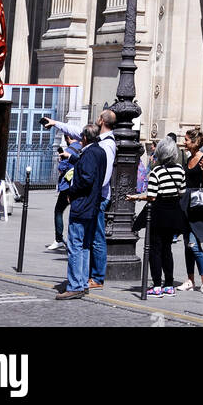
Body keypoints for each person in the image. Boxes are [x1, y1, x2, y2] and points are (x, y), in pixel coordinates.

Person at [128, 136, 186, 297]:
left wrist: (136, 197)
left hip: (158, 214)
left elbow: (152, 196)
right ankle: (169, 284)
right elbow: (182, 192)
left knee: (155, 249)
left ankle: (156, 284)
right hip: (173, 214)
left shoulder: (157, 172)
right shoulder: (180, 170)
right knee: (167, 249)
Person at [57, 124, 107, 300]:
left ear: (85, 138)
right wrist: (72, 159)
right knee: (85, 245)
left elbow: (86, 178)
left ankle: (76, 284)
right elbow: (87, 168)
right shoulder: (99, 151)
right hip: (92, 204)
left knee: (75, 245)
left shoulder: (90, 153)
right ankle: (82, 282)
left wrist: (71, 192)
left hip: (82, 204)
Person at [180, 127, 203, 294]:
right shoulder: (189, 157)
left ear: (194, 142)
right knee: (187, 244)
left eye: (186, 140)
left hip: (198, 207)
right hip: (186, 205)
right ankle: (190, 279)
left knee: (193, 243)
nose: (184, 142)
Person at [90, 109, 116, 289]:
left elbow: (105, 177)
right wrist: (57, 124)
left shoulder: (107, 145)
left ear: (101, 120)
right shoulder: (102, 140)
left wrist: (93, 192)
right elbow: (79, 131)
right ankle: (94, 274)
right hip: (98, 196)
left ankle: (98, 277)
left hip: (100, 197)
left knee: (98, 237)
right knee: (93, 236)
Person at [46, 134, 81, 252]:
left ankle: (59, 239)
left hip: (67, 186)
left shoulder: (68, 150)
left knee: (58, 211)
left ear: (68, 138)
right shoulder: (82, 148)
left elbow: (61, 168)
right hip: (79, 185)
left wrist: (61, 160)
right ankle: (75, 240)